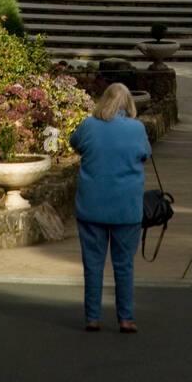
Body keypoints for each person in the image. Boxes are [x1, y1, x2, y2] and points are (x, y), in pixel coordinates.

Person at [69, 82, 150, 334]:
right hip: (126, 208)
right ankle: (125, 318)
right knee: (124, 264)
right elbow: (145, 154)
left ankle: (92, 317)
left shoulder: (89, 125)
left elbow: (75, 143)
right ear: (128, 104)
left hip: (92, 205)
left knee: (93, 264)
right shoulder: (136, 128)